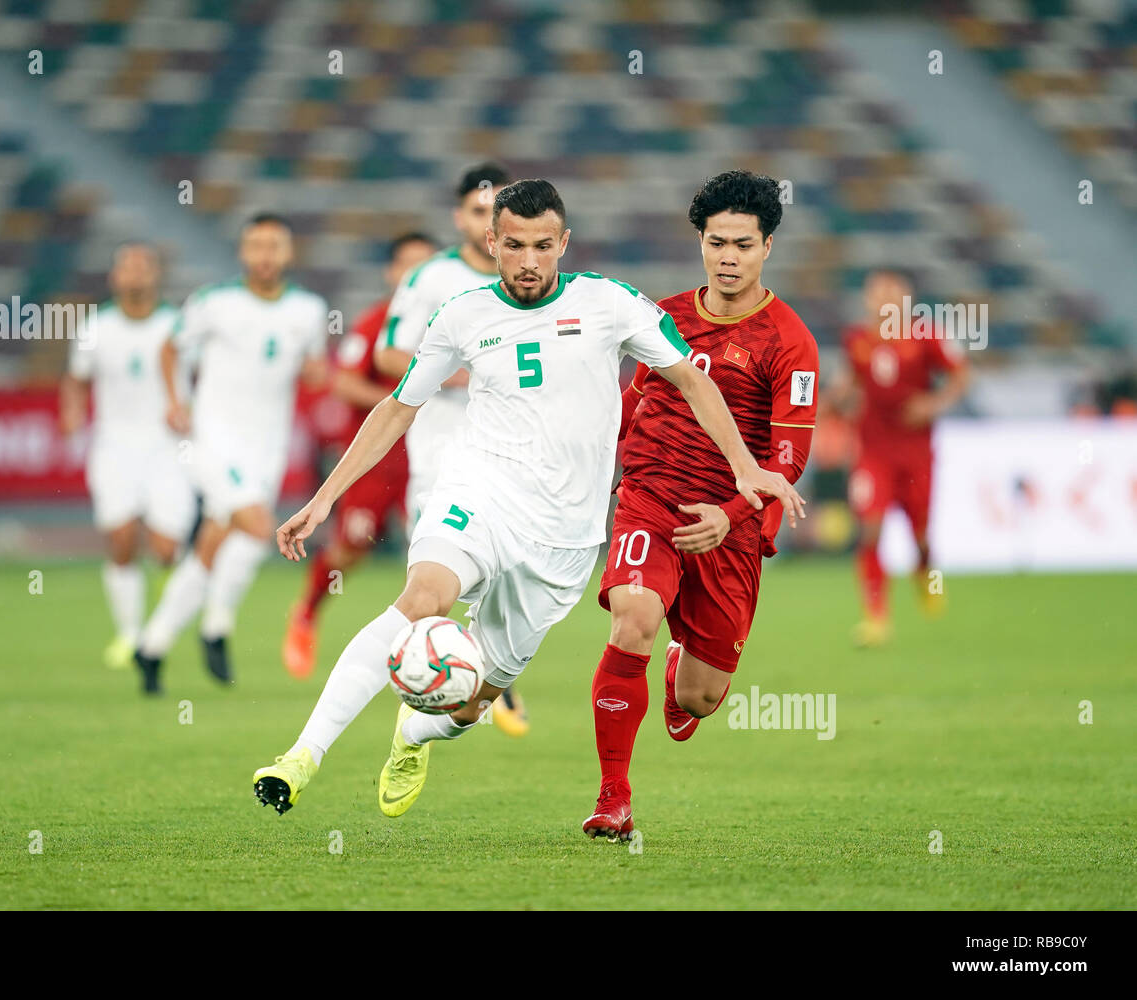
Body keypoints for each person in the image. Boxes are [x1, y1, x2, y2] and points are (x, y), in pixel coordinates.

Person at [250, 179, 804, 819]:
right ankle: (302, 756)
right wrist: (325, 499)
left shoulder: (609, 303)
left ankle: (415, 731)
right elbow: (397, 407)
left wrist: (743, 468)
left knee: (469, 703)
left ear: (564, 243)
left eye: (544, 245)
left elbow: (690, 380)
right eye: (514, 245)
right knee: (423, 598)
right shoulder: (460, 314)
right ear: (492, 242)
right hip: (480, 491)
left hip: (563, 539)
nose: (530, 261)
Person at [584, 171, 819, 840]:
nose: (728, 258)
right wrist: (608, 466)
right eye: (717, 243)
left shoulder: (790, 341)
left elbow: (787, 460)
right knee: (632, 617)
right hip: (650, 500)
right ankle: (613, 798)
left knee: (701, 697)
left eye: (743, 245)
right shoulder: (661, 318)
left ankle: (678, 675)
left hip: (729, 525)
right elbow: (632, 402)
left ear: (767, 246)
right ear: (701, 242)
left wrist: (731, 515)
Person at [133, 213, 328, 692]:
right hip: (215, 438)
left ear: (288, 254)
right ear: (244, 252)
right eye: (256, 245)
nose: (265, 255)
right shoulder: (214, 302)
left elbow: (315, 370)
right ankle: (217, 626)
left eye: (274, 246)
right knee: (259, 526)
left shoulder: (308, 310)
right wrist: (176, 402)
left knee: (217, 541)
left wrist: (316, 373)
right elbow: (169, 349)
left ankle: (152, 645)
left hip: (269, 444)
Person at [373, 163, 533, 736]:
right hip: (439, 449)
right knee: (436, 584)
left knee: (506, 572)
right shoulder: (429, 278)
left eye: (497, 210)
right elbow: (389, 355)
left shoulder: (527, 277)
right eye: (476, 209)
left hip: (508, 451)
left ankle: (477, 679)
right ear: (459, 217)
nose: (487, 219)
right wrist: (451, 373)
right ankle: (455, 682)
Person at [282, 231, 437, 678]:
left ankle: (471, 663)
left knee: (445, 553)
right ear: (391, 273)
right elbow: (344, 383)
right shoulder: (374, 325)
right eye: (406, 266)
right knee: (353, 546)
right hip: (379, 460)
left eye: (424, 267)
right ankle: (307, 613)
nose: (414, 276)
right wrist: (405, 402)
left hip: (435, 457)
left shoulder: (453, 318)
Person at [59, 242, 195, 669]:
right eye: (127, 268)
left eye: (143, 267)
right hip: (114, 447)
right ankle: (130, 635)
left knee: (167, 546)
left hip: (168, 449)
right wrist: (72, 412)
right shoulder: (96, 328)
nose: (135, 275)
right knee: (120, 541)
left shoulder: (178, 326)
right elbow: (76, 380)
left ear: (156, 276)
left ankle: (170, 595)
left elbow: (205, 377)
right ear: (115, 277)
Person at [840, 268, 969, 647]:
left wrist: (933, 403)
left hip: (916, 455)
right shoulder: (857, 340)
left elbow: (961, 376)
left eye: (893, 293)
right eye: (878, 293)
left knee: (921, 536)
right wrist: (833, 400)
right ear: (867, 299)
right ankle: (876, 618)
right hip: (873, 453)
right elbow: (850, 382)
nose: (885, 301)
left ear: (906, 299)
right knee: (871, 529)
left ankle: (927, 578)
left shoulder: (927, 335)